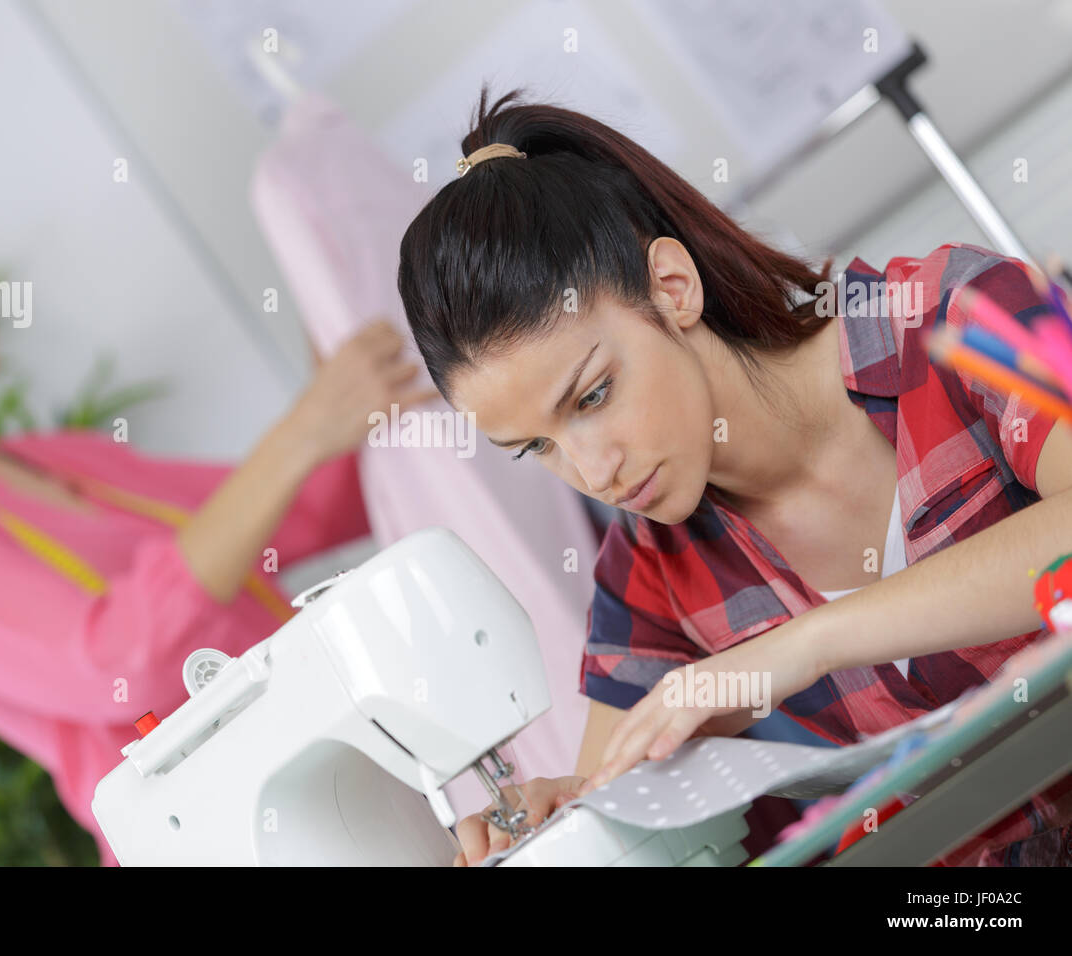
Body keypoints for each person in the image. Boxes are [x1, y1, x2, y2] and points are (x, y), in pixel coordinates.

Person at [397, 89, 1072, 867]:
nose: (594, 472)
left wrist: (804, 646)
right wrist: (557, 821)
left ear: (673, 288)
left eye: (593, 396)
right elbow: (609, 795)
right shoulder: (650, 575)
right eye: (537, 448)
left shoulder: (951, 315)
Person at [0, 159, 436, 865]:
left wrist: (331, 309)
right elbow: (115, 661)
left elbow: (306, 512)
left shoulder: (55, 459)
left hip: (349, 790)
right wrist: (305, 428)